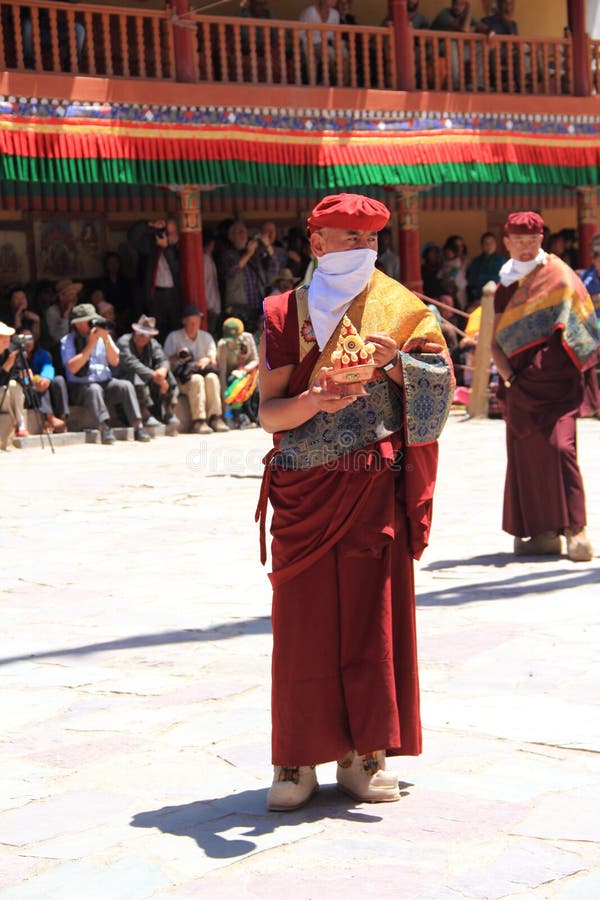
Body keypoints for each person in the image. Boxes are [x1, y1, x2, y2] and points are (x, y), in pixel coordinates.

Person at [256, 193, 454, 811]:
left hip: (373, 482)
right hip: (303, 486)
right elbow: (268, 414)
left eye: (371, 240)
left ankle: (365, 755)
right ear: (316, 243)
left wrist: (398, 366)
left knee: (372, 620)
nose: (362, 250)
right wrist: (313, 400)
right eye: (348, 238)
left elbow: (439, 397)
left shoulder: (402, 310)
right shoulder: (284, 312)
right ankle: (296, 759)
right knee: (302, 626)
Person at [491, 211, 600, 563]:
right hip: (521, 385)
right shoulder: (505, 283)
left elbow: (580, 327)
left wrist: (549, 368)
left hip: (557, 382)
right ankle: (540, 531)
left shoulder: (560, 276)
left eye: (532, 241)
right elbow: (494, 340)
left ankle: (576, 528)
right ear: (506, 242)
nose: (525, 248)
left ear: (542, 240)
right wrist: (510, 377)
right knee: (525, 454)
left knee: (560, 449)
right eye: (518, 241)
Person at [61, 303, 151, 444]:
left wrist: (106, 340)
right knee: (94, 389)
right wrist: (90, 344)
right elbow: (72, 368)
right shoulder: (68, 341)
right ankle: (104, 427)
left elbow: (114, 361)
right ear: (78, 324)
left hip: (105, 383)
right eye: (89, 321)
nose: (93, 324)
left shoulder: (103, 336)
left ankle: (138, 426)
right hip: (81, 387)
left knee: (125, 385)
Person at [164, 305, 229, 434]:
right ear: (184, 322)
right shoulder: (173, 337)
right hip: (182, 378)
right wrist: (177, 356)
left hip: (204, 373)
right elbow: (164, 360)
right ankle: (199, 421)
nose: (194, 325)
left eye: (197, 322)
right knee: (197, 379)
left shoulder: (206, 337)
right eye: (191, 322)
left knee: (212, 378)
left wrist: (207, 360)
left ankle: (215, 418)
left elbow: (213, 356)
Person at [117, 315, 179, 429]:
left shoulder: (153, 344)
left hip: (149, 381)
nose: (141, 336)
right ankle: (145, 414)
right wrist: (154, 375)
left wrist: (162, 371)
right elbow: (131, 364)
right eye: (139, 332)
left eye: (145, 334)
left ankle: (168, 411)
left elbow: (163, 359)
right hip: (126, 380)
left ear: (150, 337)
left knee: (167, 374)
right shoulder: (124, 342)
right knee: (136, 377)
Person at [219, 220, 278, 332]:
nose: (243, 235)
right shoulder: (228, 255)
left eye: (245, 232)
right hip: (238, 307)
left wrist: (268, 246)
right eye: (239, 232)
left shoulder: (255, 254)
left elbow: (274, 268)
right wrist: (248, 253)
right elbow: (231, 272)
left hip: (256, 306)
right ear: (231, 236)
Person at [128, 217, 181, 343]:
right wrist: (150, 225)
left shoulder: (182, 247)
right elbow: (132, 237)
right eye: (166, 232)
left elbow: (177, 268)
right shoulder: (152, 246)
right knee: (156, 330)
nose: (168, 236)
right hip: (155, 293)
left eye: (171, 233)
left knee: (175, 328)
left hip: (174, 295)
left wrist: (166, 247)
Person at [16, 327, 69, 433]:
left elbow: (48, 369)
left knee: (59, 380)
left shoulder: (43, 354)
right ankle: (50, 418)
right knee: (36, 388)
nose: (28, 342)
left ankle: (63, 420)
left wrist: (44, 379)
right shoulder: (16, 356)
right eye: (24, 339)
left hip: (42, 385)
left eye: (30, 338)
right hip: (27, 391)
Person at [217, 316, 259, 428]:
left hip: (249, 374)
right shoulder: (222, 345)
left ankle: (253, 418)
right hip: (232, 379)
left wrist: (244, 370)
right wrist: (224, 394)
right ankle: (233, 417)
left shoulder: (248, 338)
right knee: (234, 387)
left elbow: (255, 359)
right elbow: (222, 371)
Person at [0, 321, 28, 444]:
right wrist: (6, 366)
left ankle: (21, 424)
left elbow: (17, 375)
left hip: (9, 391)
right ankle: (15, 422)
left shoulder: (11, 351)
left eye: (7, 337)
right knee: (2, 391)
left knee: (14, 385)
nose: (7, 339)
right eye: (3, 337)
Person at [466, 231, 504, 302]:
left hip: (497, 296)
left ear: (495, 245)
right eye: (486, 243)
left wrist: (483, 277)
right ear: (482, 246)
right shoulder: (476, 262)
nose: (489, 246)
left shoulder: (501, 261)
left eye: (491, 243)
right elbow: (472, 280)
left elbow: (501, 279)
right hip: (480, 297)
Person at [45, 279, 82, 349]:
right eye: (71, 294)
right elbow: (58, 337)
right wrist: (66, 316)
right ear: (61, 297)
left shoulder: (77, 310)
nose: (75, 298)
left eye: (75, 294)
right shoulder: (52, 312)